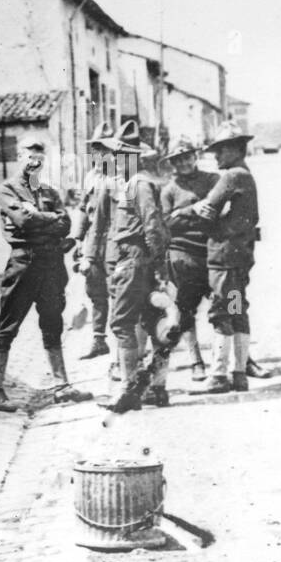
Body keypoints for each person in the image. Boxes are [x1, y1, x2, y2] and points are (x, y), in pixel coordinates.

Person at [0, 136, 94, 411]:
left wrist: (40, 217)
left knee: (52, 323)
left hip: (51, 262)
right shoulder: (7, 189)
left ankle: (62, 386)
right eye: (29, 156)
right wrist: (46, 219)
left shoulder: (49, 191)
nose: (34, 162)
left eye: (39, 158)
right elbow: (22, 221)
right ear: (18, 157)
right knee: (8, 325)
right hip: (24, 263)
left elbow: (65, 224)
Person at [172, 121, 259, 393]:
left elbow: (208, 207)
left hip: (223, 258)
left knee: (222, 311)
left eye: (220, 150)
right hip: (239, 257)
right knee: (237, 309)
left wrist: (181, 213)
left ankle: (219, 376)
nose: (216, 156)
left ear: (234, 149)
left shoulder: (231, 176)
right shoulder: (245, 173)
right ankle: (240, 373)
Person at [105, 121, 169, 407]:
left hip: (134, 261)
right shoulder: (132, 183)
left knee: (121, 322)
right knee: (150, 321)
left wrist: (157, 266)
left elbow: (153, 226)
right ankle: (157, 388)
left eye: (121, 156)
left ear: (134, 157)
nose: (116, 162)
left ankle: (131, 391)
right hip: (137, 260)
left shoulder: (139, 184)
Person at [158, 136, 215, 381]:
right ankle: (196, 361)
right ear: (172, 163)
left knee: (232, 303)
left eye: (187, 157)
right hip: (184, 256)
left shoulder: (212, 180)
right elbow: (165, 222)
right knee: (186, 309)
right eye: (178, 159)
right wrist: (190, 210)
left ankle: (240, 358)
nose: (184, 163)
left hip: (214, 253)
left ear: (196, 157)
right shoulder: (169, 190)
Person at [72, 122, 115, 360]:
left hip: (113, 241)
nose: (100, 154)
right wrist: (78, 238)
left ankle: (126, 347)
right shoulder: (90, 177)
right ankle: (99, 340)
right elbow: (82, 209)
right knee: (95, 291)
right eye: (96, 149)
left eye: (105, 150)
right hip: (92, 242)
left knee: (120, 291)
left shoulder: (121, 176)